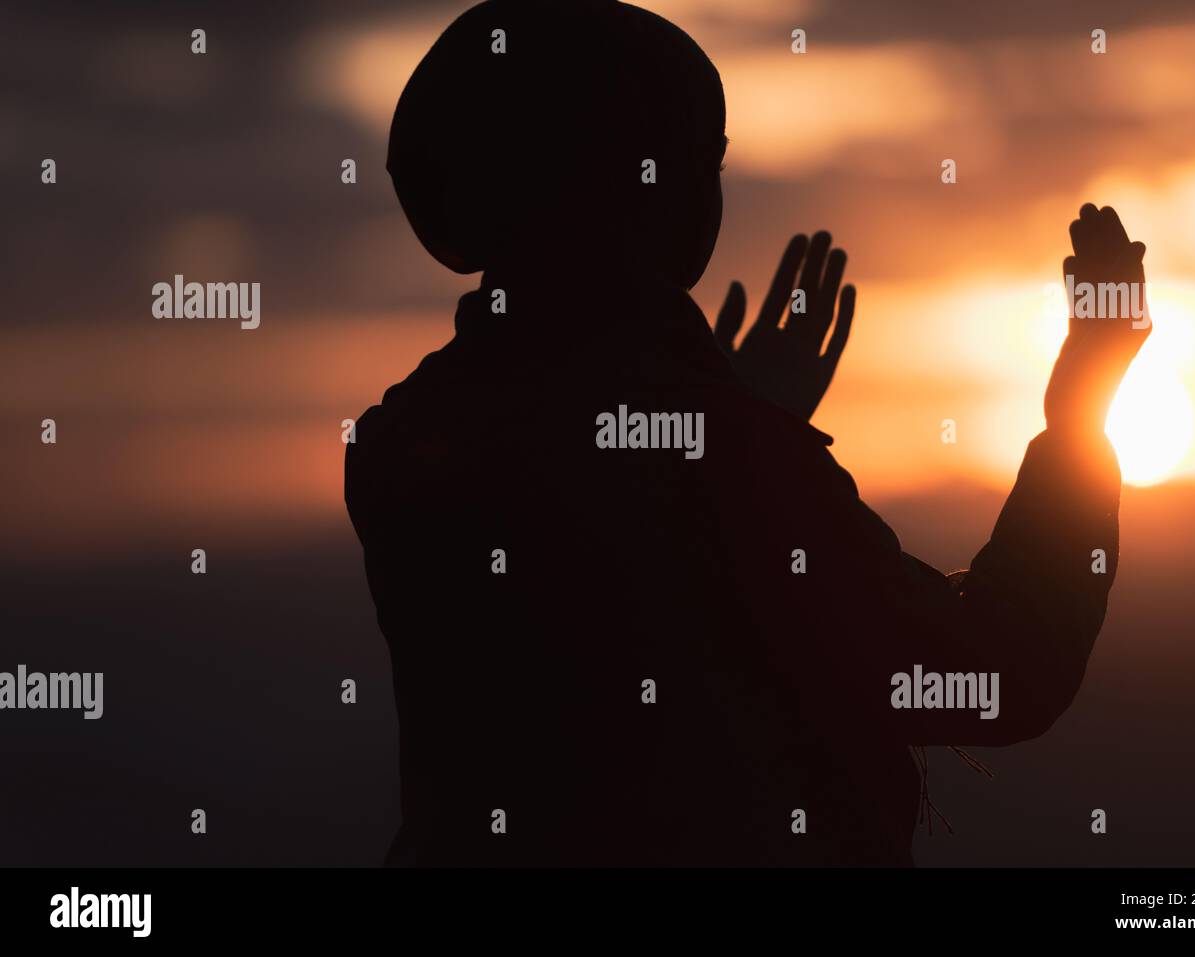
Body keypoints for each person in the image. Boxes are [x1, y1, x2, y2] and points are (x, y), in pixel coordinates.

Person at [345, 0, 1151, 865]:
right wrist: (1080, 413)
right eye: (704, 160)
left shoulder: (401, 438)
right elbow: (998, 674)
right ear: (633, 188)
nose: (713, 189)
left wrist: (733, 414)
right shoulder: (727, 460)